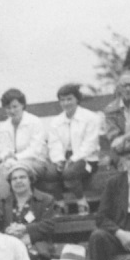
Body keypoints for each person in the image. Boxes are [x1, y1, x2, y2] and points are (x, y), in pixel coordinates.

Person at [43, 84, 102, 214]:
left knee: (69, 173)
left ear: (77, 99)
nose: (66, 103)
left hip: (87, 160)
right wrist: (59, 160)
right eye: (62, 100)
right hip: (64, 160)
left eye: (69, 99)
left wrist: (74, 159)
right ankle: (60, 204)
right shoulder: (56, 121)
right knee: (50, 174)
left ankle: (82, 201)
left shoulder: (91, 118)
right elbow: (54, 144)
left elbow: (90, 144)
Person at [0, 89, 48, 199]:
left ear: (22, 105)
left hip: (36, 163)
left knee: (11, 169)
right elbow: (0, 152)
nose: (12, 111)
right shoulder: (2, 127)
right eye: (8, 108)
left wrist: (15, 158)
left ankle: (14, 205)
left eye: (15, 106)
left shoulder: (34, 122)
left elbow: (35, 150)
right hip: (9, 163)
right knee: (4, 168)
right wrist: (8, 158)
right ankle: (6, 206)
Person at [0, 162, 58, 260]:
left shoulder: (46, 199)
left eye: (22, 177)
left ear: (30, 180)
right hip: (9, 246)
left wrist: (25, 229)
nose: (18, 181)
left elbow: (49, 225)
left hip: (36, 245)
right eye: (14, 179)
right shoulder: (3, 202)